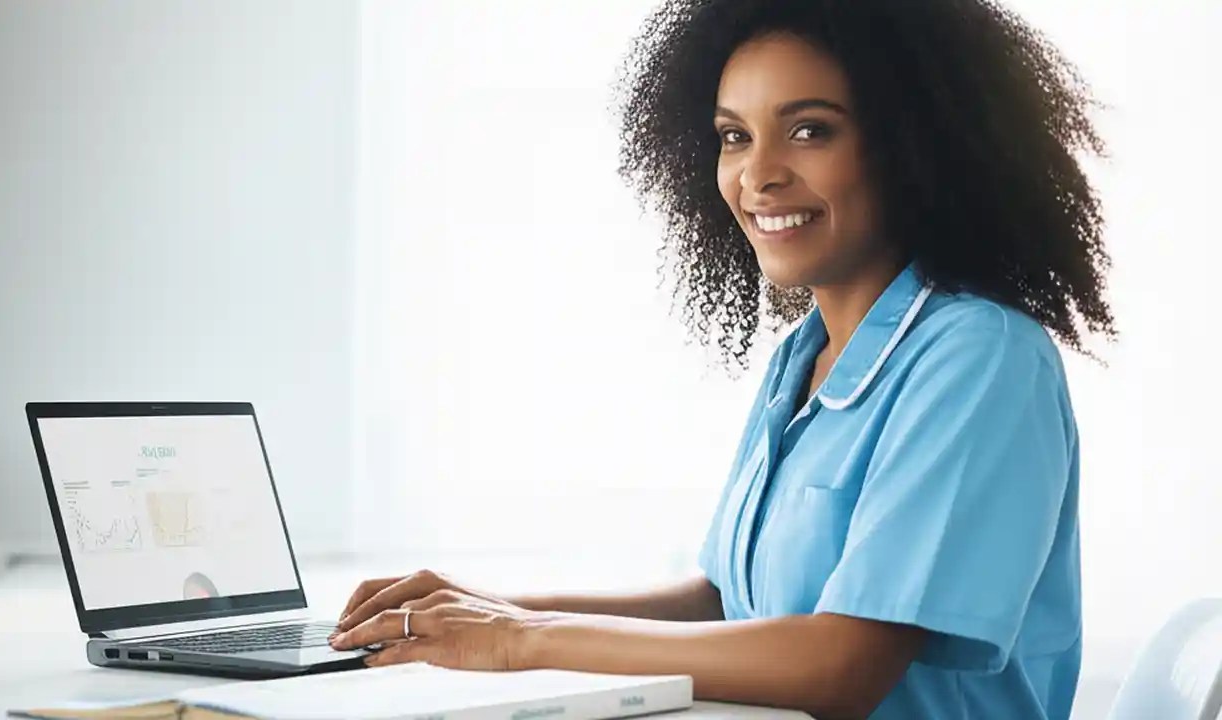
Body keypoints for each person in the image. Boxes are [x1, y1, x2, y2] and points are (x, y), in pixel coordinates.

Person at [330, 0, 1115, 717]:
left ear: (914, 144)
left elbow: (842, 664)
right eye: (735, 135)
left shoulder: (982, 358)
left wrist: (519, 642)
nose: (758, 174)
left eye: (809, 129)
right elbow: (721, 604)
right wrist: (496, 608)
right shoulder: (801, 362)